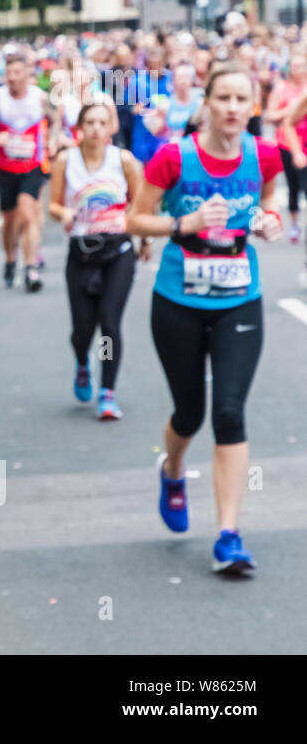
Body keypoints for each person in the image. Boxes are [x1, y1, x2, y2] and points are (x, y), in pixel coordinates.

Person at [125, 61, 284, 575]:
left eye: (243, 100)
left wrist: (267, 220)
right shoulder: (174, 157)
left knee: (230, 413)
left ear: (253, 106)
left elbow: (269, 202)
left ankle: (229, 535)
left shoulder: (264, 154)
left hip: (240, 298)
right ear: (207, 104)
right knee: (190, 413)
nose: (234, 108)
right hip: (178, 301)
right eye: (224, 99)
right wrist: (182, 221)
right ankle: (172, 469)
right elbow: (135, 218)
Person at [47, 98, 144, 421]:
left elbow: (142, 204)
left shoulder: (124, 161)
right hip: (82, 252)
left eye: (103, 123)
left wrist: (143, 238)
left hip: (118, 251)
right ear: (80, 128)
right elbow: (54, 205)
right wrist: (66, 214)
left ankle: (108, 392)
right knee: (82, 330)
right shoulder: (66, 161)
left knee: (109, 322)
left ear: (112, 128)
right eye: (90, 123)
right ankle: (83, 361)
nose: (96, 129)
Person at [0, 51, 47, 291]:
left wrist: (53, 140)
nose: (13, 78)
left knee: (28, 214)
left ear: (28, 74)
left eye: (17, 72)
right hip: (6, 168)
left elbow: (57, 120)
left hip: (32, 166)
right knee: (9, 221)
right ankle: (10, 259)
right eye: (9, 73)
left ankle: (30, 267)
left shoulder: (40, 98)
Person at [265, 53, 307, 242]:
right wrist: (289, 109)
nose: (298, 70)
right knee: (293, 186)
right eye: (295, 66)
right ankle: (295, 223)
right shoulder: (282, 88)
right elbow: (272, 116)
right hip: (288, 145)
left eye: (302, 66)